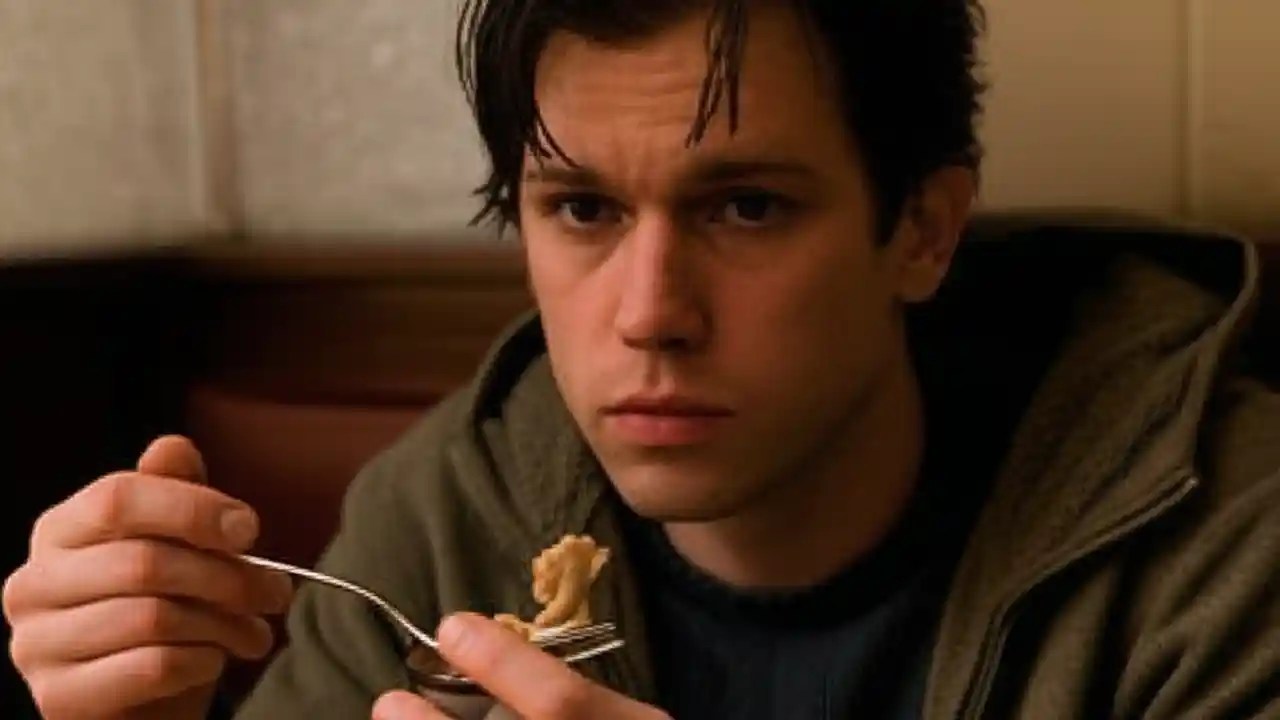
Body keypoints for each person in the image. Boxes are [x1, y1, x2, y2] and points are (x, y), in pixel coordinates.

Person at [5, 0, 1279, 718]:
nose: (648, 313)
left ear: (921, 232)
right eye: (582, 209)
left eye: (746, 208)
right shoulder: (445, 515)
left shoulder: (1222, 547)